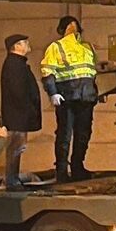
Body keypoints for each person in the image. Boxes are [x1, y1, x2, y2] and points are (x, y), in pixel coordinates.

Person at [41, 15, 97, 183]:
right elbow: (48, 71)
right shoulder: (55, 47)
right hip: (67, 97)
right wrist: (52, 92)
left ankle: (77, 167)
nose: (73, 28)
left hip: (86, 97)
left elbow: (91, 72)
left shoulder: (87, 47)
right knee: (65, 135)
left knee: (83, 135)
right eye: (70, 26)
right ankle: (62, 170)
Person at [0, 34, 42, 191]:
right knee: (15, 148)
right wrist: (29, 109)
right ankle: (12, 180)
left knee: (17, 148)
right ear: (16, 46)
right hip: (18, 116)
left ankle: (13, 179)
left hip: (18, 115)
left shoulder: (17, 64)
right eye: (24, 43)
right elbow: (19, 92)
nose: (28, 44)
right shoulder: (15, 65)